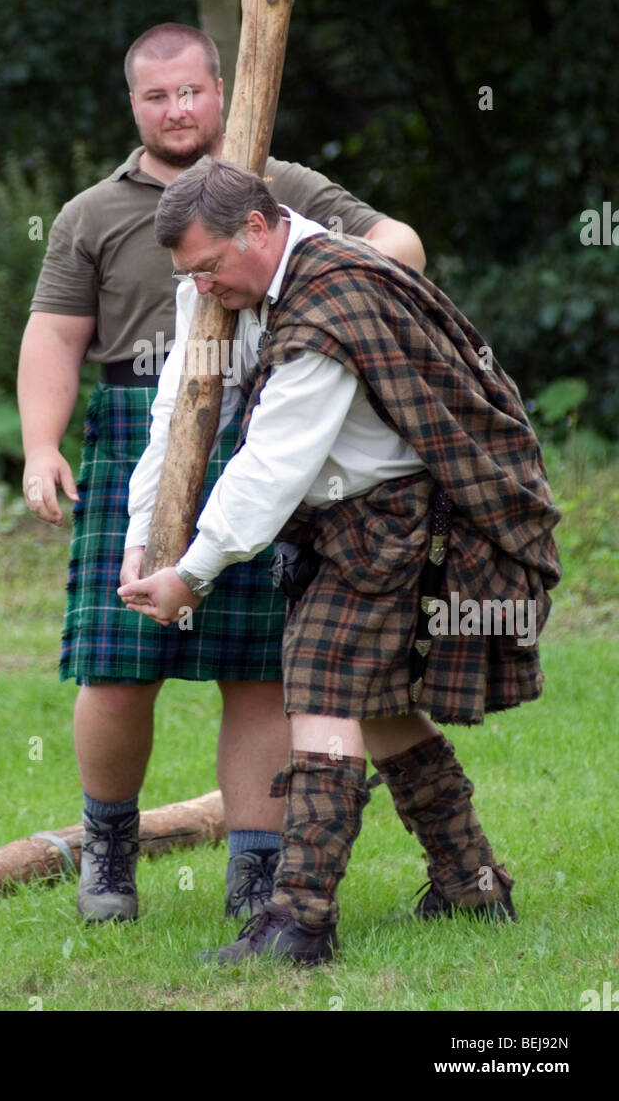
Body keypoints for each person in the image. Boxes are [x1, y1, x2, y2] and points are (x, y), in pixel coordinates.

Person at [18, 23, 425, 925]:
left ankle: (257, 873)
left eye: (192, 92)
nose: (177, 110)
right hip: (140, 419)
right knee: (118, 663)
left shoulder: (281, 192)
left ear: (220, 90)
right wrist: (41, 444)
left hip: (268, 413)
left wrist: (324, 290)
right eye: (156, 97)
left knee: (260, 670)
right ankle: (109, 851)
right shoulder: (93, 212)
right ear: (133, 105)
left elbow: (403, 244)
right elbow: (55, 335)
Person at [119, 158, 561, 964]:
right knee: (379, 702)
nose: (203, 286)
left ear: (260, 226)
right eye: (190, 275)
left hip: (410, 515)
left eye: (210, 268)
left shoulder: (336, 296)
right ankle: (471, 884)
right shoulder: (218, 286)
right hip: (339, 518)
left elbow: (271, 462)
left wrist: (192, 571)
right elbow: (180, 413)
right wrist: (142, 538)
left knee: (321, 684)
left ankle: (300, 922)